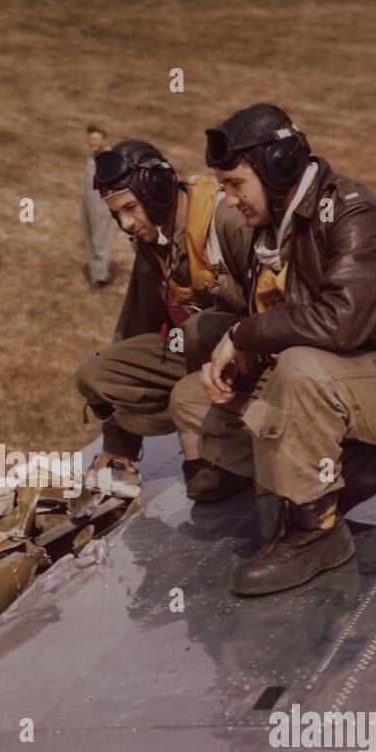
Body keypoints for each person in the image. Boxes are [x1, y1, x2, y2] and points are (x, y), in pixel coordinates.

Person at [168, 104, 376, 596]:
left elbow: (340, 323)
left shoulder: (353, 214)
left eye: (236, 184)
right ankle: (349, 467)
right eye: (222, 187)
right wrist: (249, 354)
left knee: (303, 371)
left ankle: (315, 532)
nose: (229, 198)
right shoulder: (274, 226)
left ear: (278, 168)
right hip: (351, 373)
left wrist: (245, 335)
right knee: (193, 404)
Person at [75, 138, 252, 499]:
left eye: (129, 208)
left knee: (200, 329)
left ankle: (224, 448)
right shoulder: (151, 245)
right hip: (200, 363)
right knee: (95, 374)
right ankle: (202, 433)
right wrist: (119, 445)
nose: (125, 223)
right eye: (115, 215)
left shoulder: (226, 221)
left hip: (257, 357)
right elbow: (136, 325)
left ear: (156, 190)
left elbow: (278, 306)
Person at [81, 124, 117, 288]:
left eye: (95, 139)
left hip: (102, 205)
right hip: (88, 202)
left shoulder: (109, 158)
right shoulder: (92, 156)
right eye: (90, 139)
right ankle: (95, 273)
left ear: (104, 139)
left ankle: (100, 277)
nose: (92, 142)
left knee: (100, 240)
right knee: (89, 237)